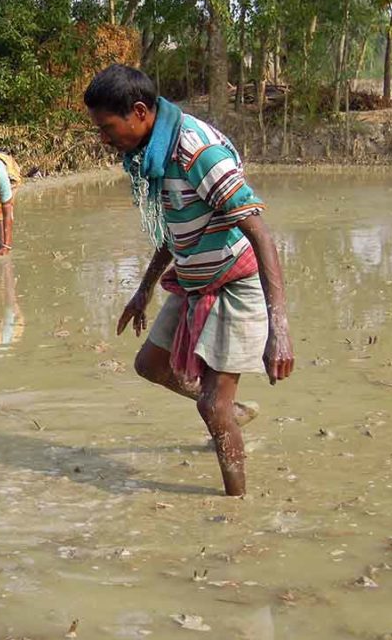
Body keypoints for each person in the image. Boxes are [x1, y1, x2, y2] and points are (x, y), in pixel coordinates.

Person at [83, 64, 294, 497]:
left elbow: (260, 234)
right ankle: (234, 412)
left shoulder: (197, 153)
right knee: (150, 364)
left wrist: (280, 329)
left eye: (107, 128)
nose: (103, 139)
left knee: (211, 405)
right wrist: (143, 291)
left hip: (235, 280)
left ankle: (236, 508)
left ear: (139, 112)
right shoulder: (155, 155)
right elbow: (175, 231)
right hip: (195, 274)